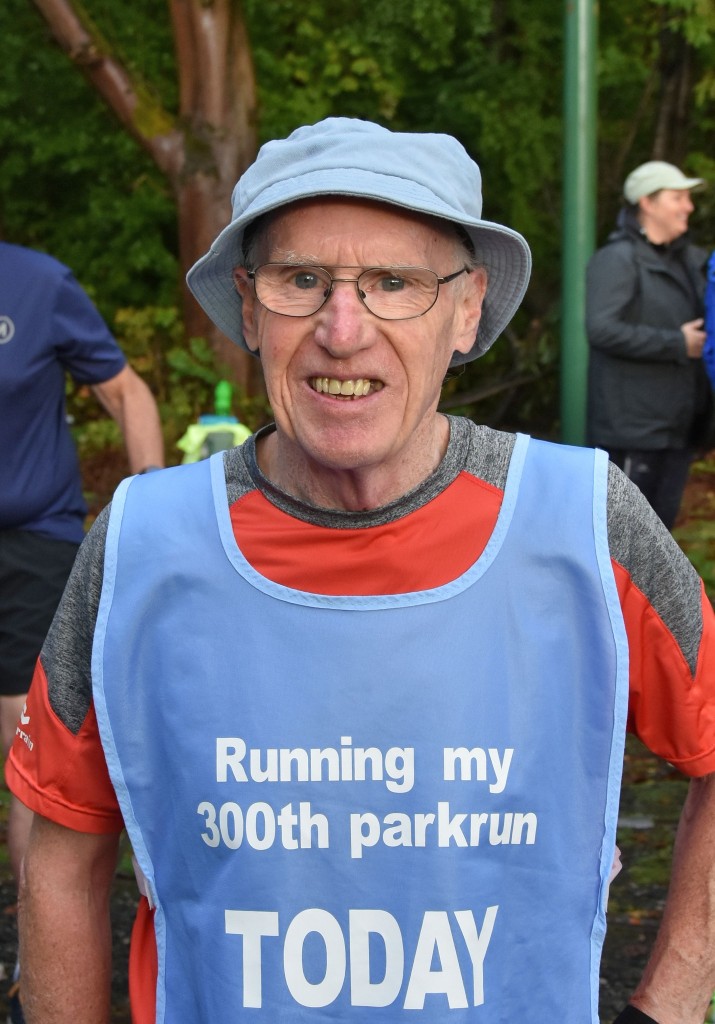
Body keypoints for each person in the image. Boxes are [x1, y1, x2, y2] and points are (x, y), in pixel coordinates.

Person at [6, 119, 715, 1024]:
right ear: (250, 306)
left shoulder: (582, 524)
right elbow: (62, 857)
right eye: (303, 280)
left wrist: (665, 1010)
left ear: (465, 310)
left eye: (394, 283)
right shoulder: (143, 543)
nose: (345, 332)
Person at [0, 240, 164, 889]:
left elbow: (125, 392)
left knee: (22, 738)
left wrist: (152, 514)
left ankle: (32, 968)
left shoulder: (38, 283)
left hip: (34, 542)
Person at [586, 160, 712, 529]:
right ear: (648, 202)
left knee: (660, 544)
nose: (688, 206)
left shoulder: (691, 261)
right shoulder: (617, 259)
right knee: (620, 544)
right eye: (678, 197)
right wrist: (678, 343)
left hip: (678, 429)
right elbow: (601, 329)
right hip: (632, 434)